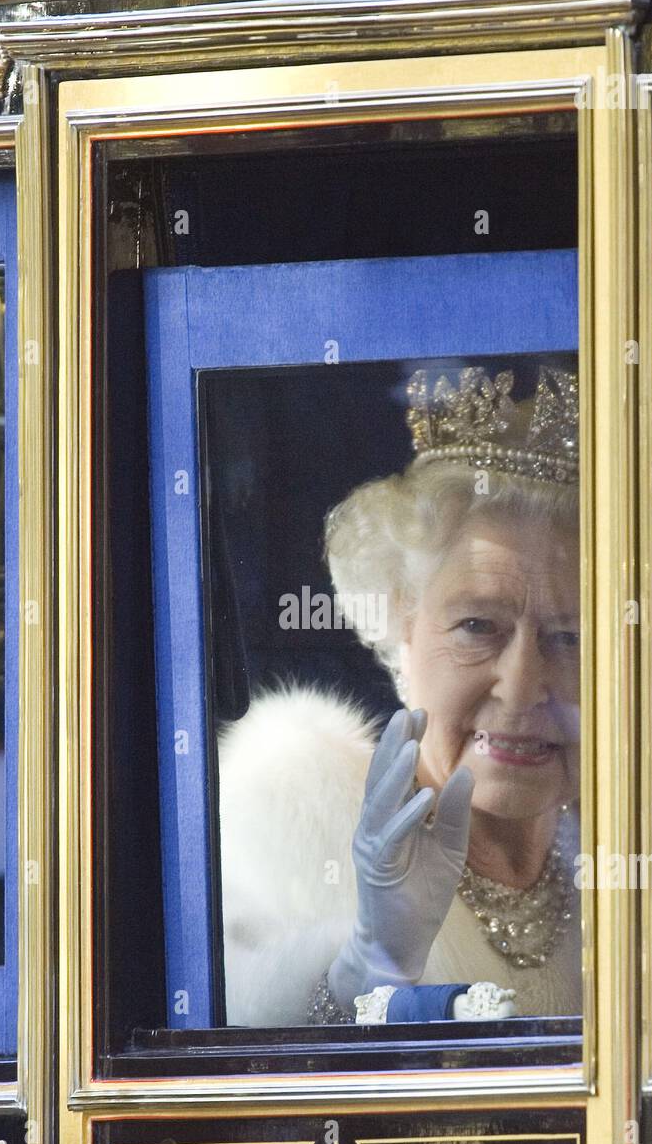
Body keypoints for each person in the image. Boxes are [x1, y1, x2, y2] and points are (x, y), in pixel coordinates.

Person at [220, 364, 581, 1027]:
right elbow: (231, 1083)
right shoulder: (287, 810)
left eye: (568, 637)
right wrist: (361, 967)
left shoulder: (627, 857)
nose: (525, 685)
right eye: (479, 627)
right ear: (399, 629)